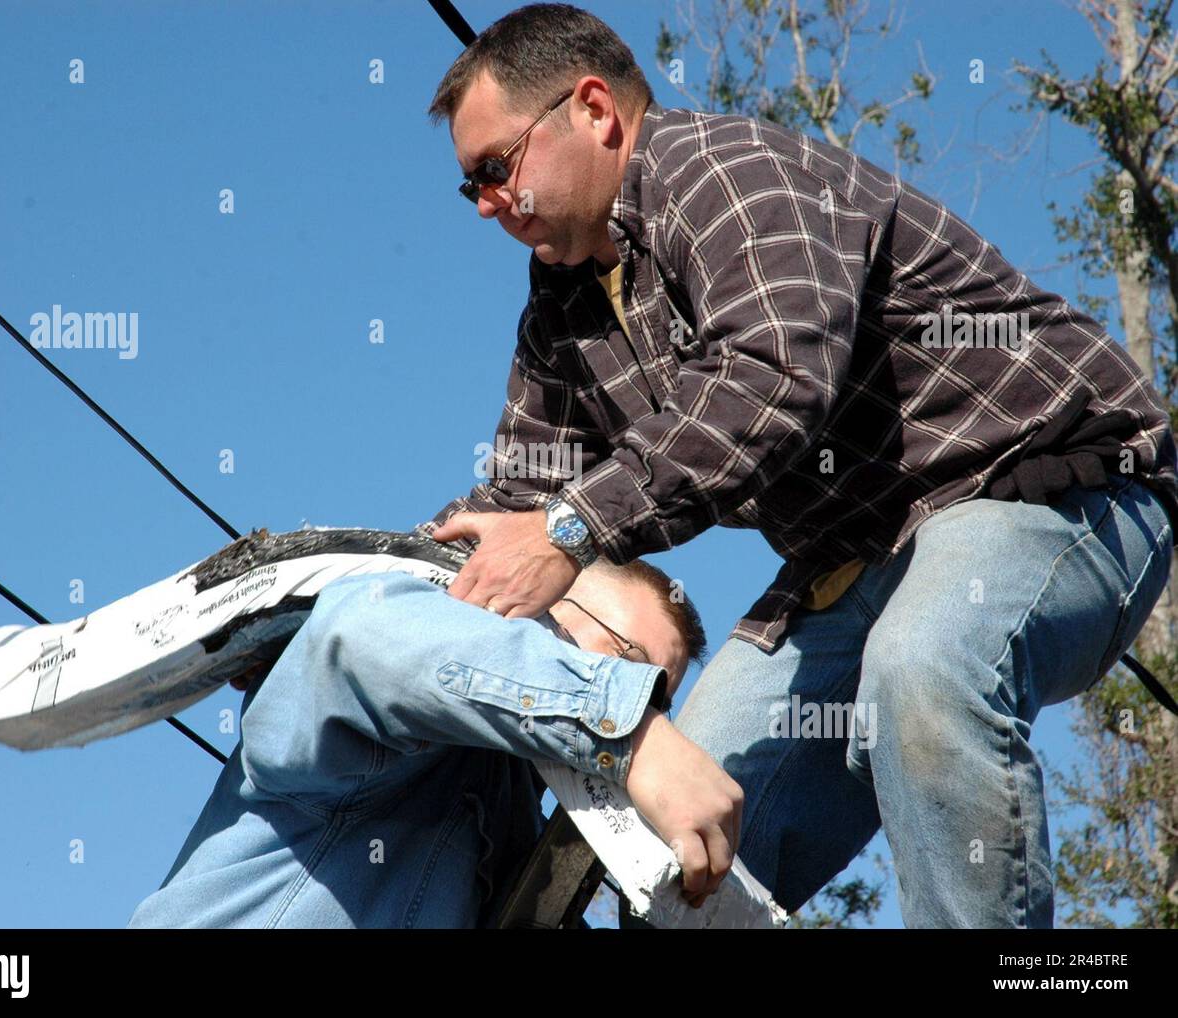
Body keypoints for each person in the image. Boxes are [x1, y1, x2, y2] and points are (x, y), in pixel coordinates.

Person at [414, 3, 1178, 926]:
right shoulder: (561, 312)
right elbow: (507, 511)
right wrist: (378, 596)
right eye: (471, 189)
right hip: (849, 567)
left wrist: (573, 531)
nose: (490, 204)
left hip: (1049, 482)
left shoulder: (724, 174)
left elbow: (774, 378)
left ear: (595, 110)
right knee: (663, 838)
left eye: (496, 169)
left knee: (923, 666)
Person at [126, 555, 717, 928]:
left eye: (659, 699)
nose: (639, 694)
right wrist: (622, 724)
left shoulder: (521, 838)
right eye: (622, 660)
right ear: (537, 605)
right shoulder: (382, 714)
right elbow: (357, 634)